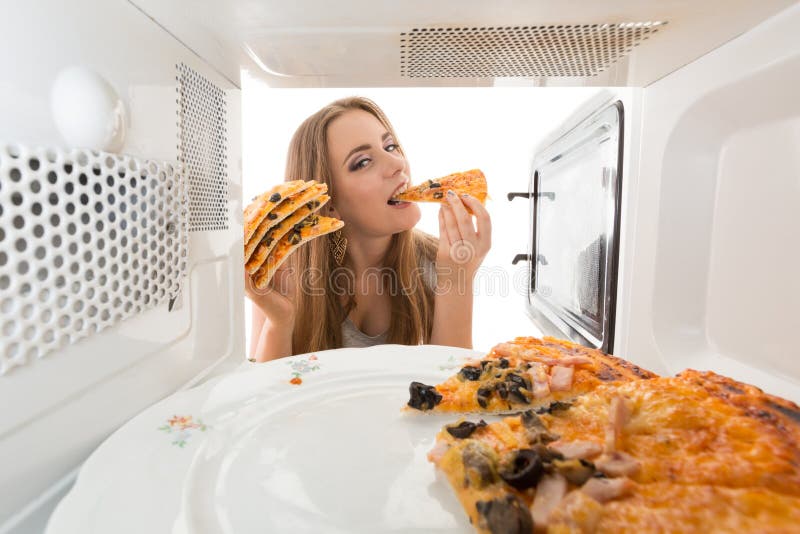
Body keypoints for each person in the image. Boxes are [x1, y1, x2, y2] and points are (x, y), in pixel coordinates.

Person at [245, 96, 491, 361]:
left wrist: (456, 281)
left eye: (391, 146)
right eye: (363, 162)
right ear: (327, 206)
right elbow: (264, 396)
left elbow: (451, 385)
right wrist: (279, 321)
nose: (398, 164)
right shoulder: (282, 270)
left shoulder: (439, 261)